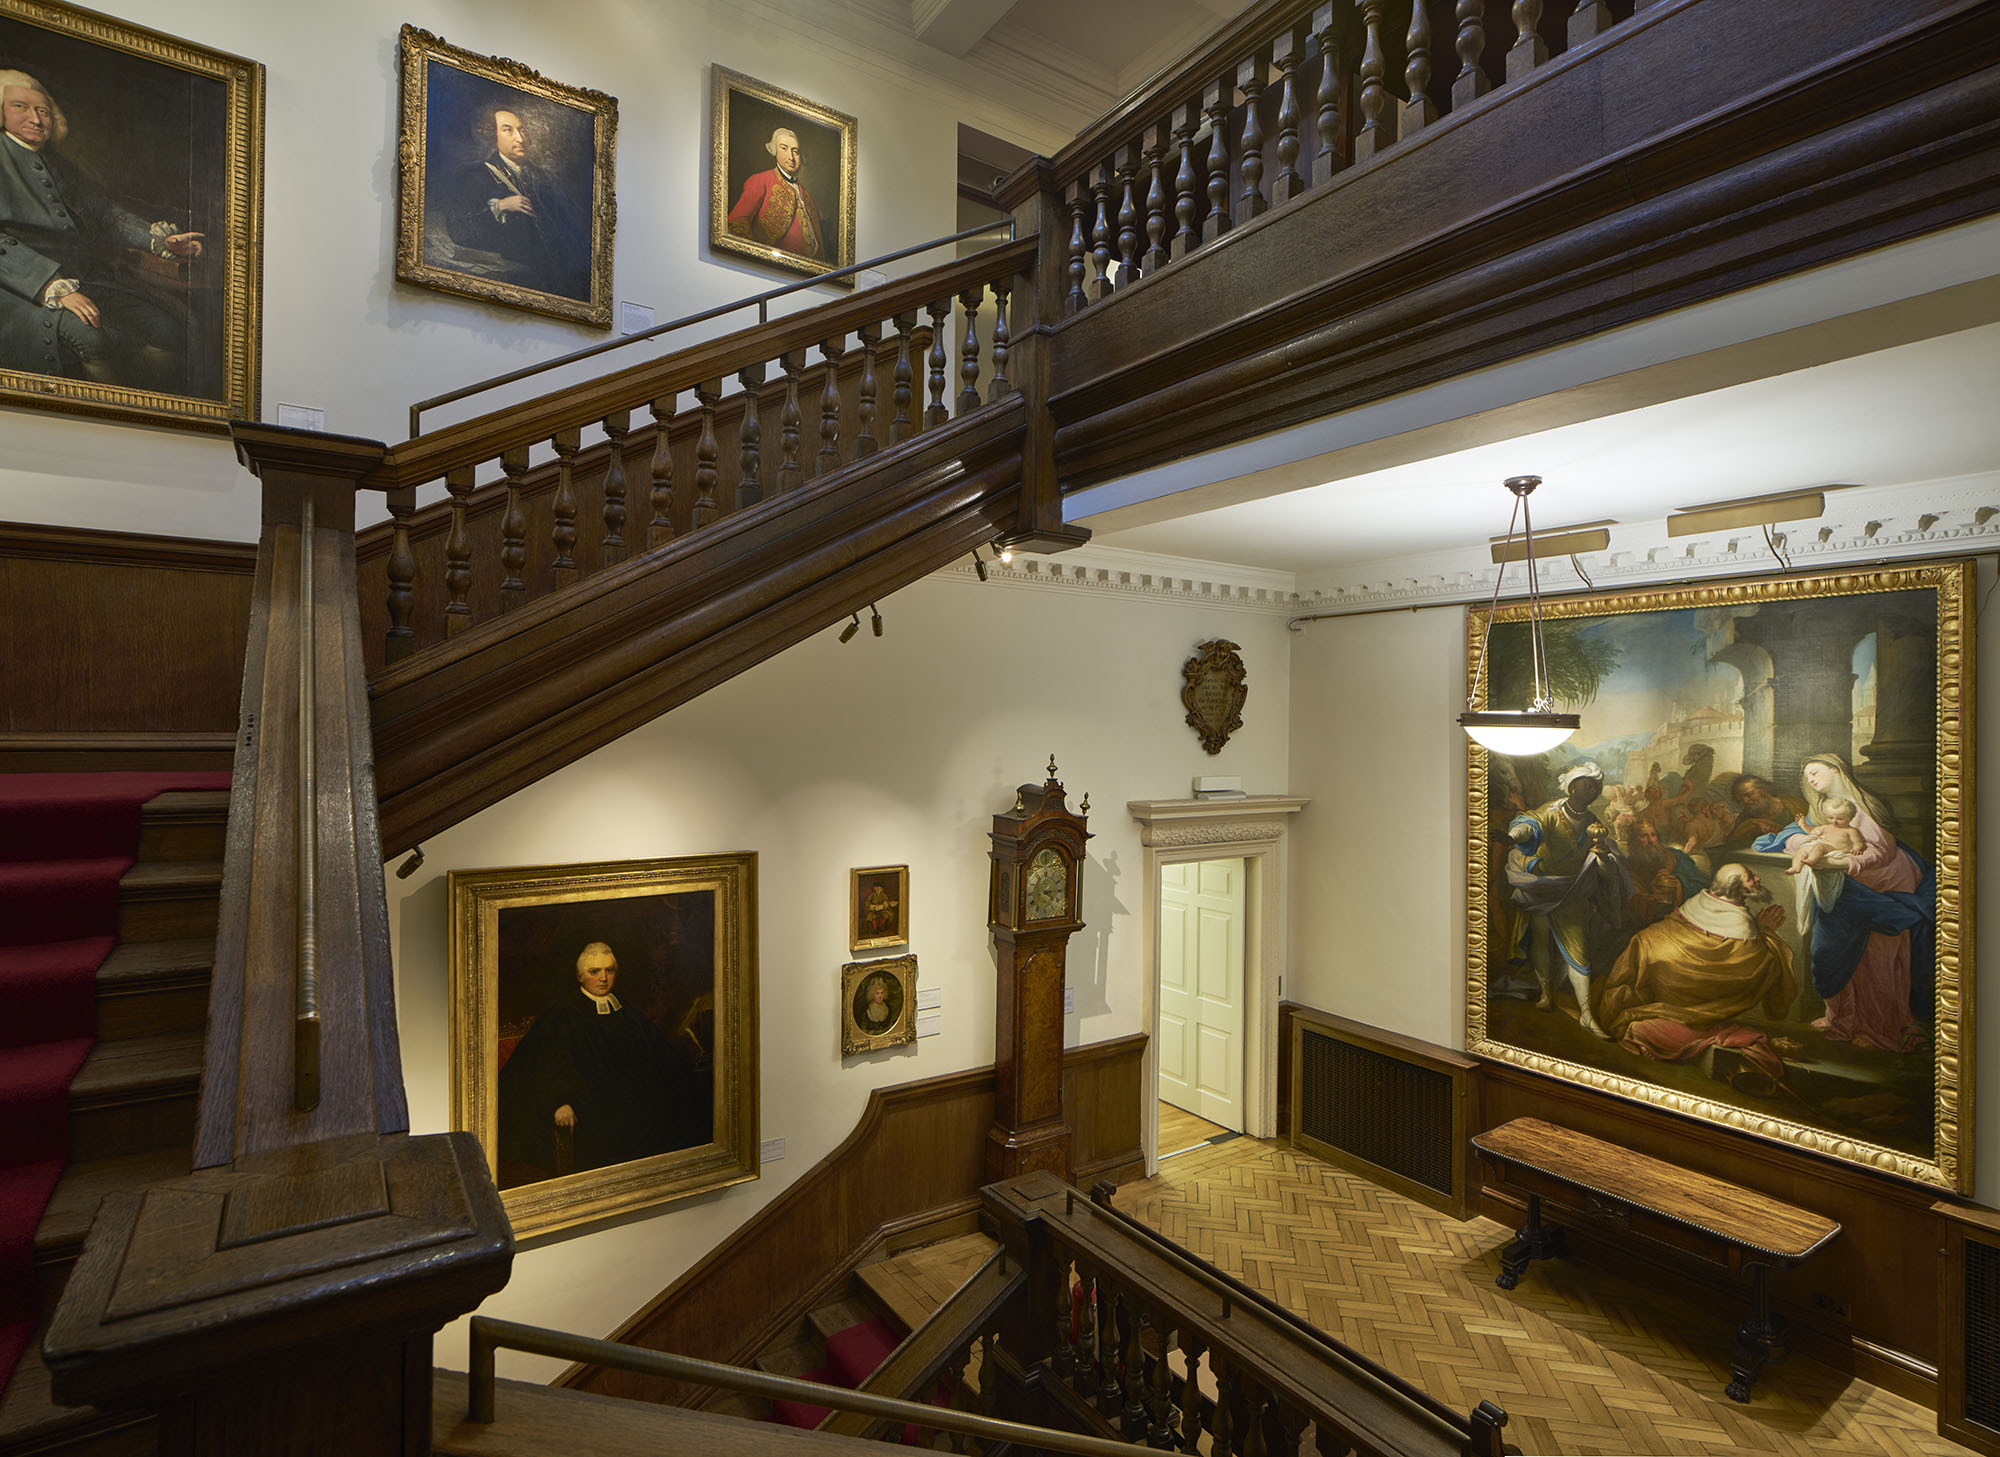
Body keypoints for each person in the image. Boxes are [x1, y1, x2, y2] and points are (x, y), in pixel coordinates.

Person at [0, 70, 205, 389]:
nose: (36, 119)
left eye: (42, 110)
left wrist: (159, 239)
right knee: (91, 339)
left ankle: (143, 408)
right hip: (19, 288)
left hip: (86, 278)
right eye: (20, 107)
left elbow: (106, 214)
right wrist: (49, 284)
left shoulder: (58, 162)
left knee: (170, 332)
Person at [1753, 754, 1931, 1051]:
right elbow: (1796, 835)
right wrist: (1806, 843)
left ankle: (1878, 1029)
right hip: (1842, 891)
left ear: (1835, 770)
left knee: (1876, 960)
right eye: (1806, 775)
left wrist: (1845, 862)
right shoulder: (1821, 810)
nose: (1810, 780)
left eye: (1815, 772)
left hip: (1882, 889)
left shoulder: (1862, 807)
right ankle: (1841, 1018)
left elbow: (1881, 850)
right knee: (1832, 953)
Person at [497, 941, 710, 1182]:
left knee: (678, 1106)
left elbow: (658, 1054)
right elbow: (544, 1065)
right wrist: (559, 1102)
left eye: (609, 971)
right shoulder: (561, 1015)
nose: (603, 978)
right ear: (580, 977)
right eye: (594, 972)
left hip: (631, 1101)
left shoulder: (628, 1014)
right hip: (590, 1106)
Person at [1592, 864, 1795, 1081]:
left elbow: (1669, 931)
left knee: (1644, 941)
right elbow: (1756, 967)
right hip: (1688, 992)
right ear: (1738, 890)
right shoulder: (1745, 932)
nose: (1757, 878)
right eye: (1749, 878)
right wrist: (1767, 933)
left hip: (1656, 962)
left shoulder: (1695, 906)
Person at [1505, 762, 1629, 1036]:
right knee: (1540, 940)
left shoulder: (1594, 823)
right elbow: (1529, 827)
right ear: (1572, 787)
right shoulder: (1551, 812)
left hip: (1572, 891)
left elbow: (1606, 869)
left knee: (1579, 952)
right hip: (1541, 887)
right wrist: (1512, 835)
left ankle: (1586, 1015)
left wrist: (1605, 859)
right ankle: (1546, 993)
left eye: (1596, 786)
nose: (1593, 790)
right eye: (1588, 785)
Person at [444, 102, 588, 298]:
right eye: (508, 131)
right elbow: (460, 229)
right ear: (492, 134)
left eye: (522, 130)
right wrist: (501, 206)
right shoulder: (476, 176)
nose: (520, 138)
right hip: (509, 284)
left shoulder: (543, 178)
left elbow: (567, 226)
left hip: (556, 283)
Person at [726, 127, 823, 259]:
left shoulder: (808, 196)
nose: (791, 157)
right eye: (784, 148)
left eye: (796, 151)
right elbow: (737, 220)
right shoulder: (760, 181)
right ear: (774, 151)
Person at [1623, 819, 1706, 926]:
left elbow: (1702, 885)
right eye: (1644, 836)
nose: (1651, 840)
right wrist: (1655, 895)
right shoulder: (1629, 867)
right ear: (1634, 841)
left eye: (1653, 835)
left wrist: (1678, 883)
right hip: (1652, 923)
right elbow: (1631, 904)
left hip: (1687, 917)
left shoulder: (1676, 857)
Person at [1785, 796, 1867, 874]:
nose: (1834, 821)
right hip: (1819, 848)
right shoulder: (1825, 827)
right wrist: (1803, 825)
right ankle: (1796, 868)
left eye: (1840, 819)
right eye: (1831, 818)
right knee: (1801, 850)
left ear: (1850, 818)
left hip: (1834, 849)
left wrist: (1856, 848)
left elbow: (1858, 842)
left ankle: (1811, 860)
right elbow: (1812, 831)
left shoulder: (1851, 831)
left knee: (1820, 846)